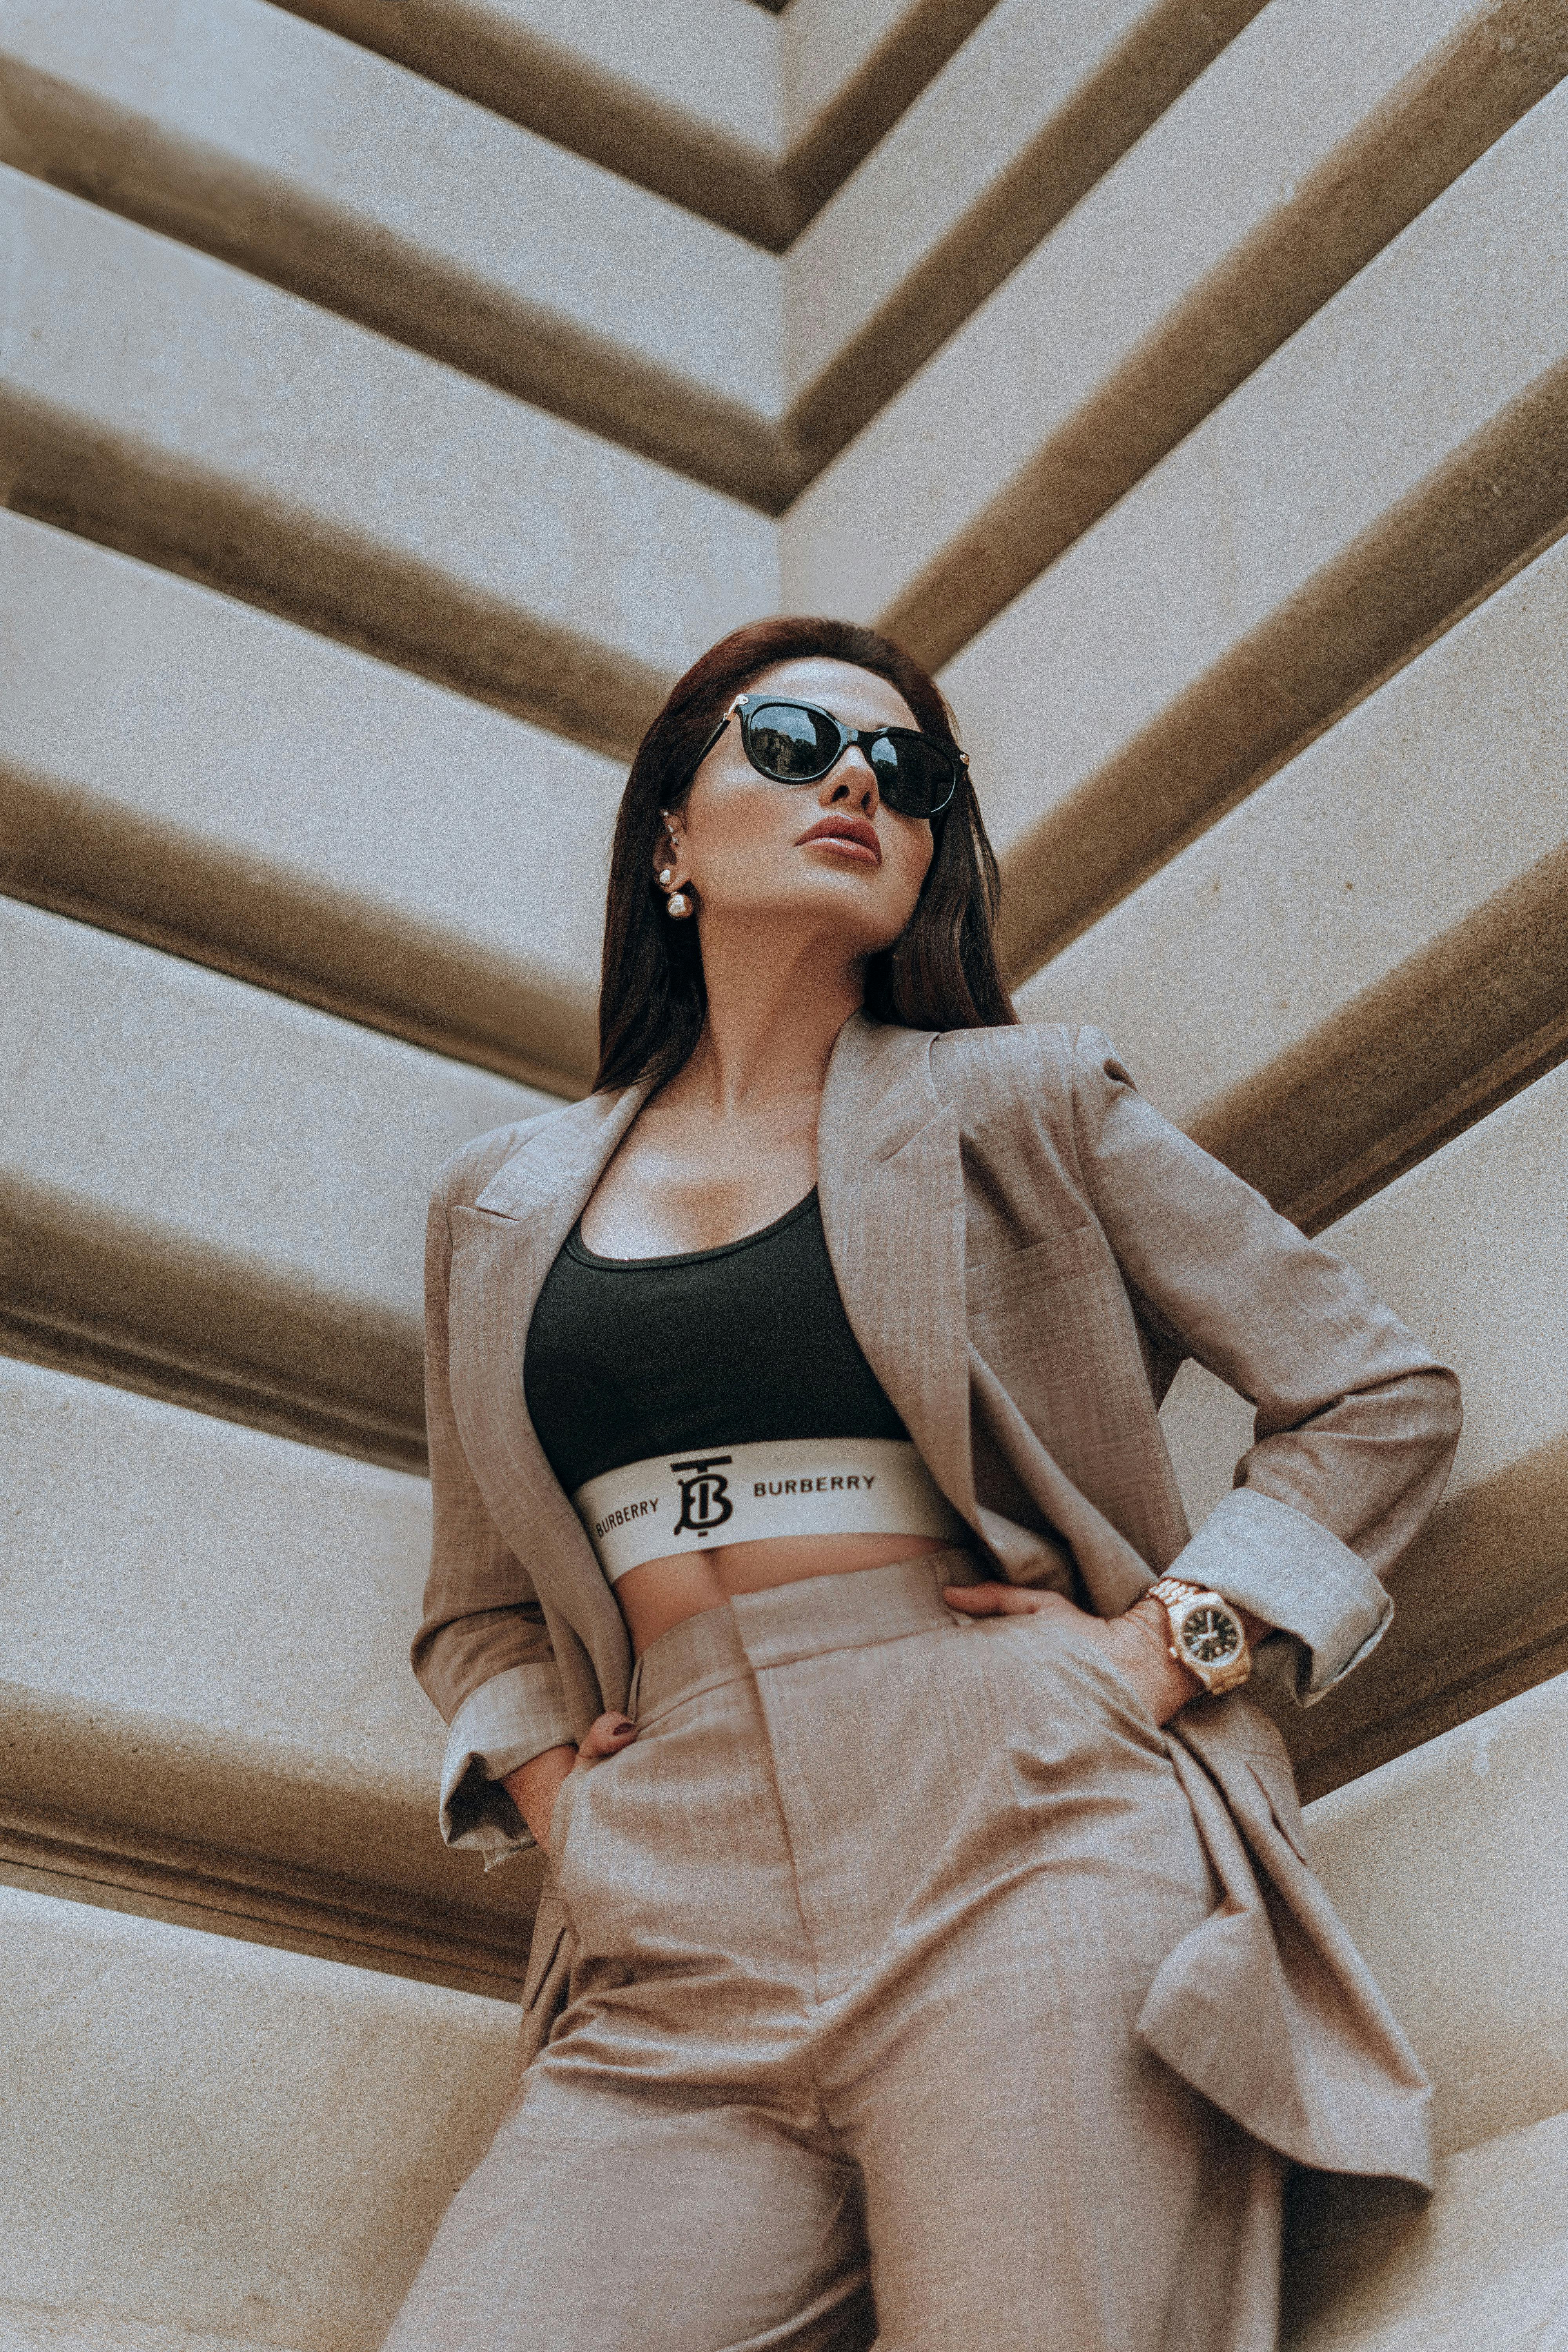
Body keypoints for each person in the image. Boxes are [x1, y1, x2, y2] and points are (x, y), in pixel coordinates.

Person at [383, 616, 1460, 2352]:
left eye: (909, 772)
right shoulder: (492, 1205)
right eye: (797, 743)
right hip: (669, 1906)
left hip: (1023, 1828)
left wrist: (1163, 1644)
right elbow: (475, 1611)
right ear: (669, 831)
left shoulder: (1023, 1103)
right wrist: (563, 1811)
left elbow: (1373, 1390)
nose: (860, 784)